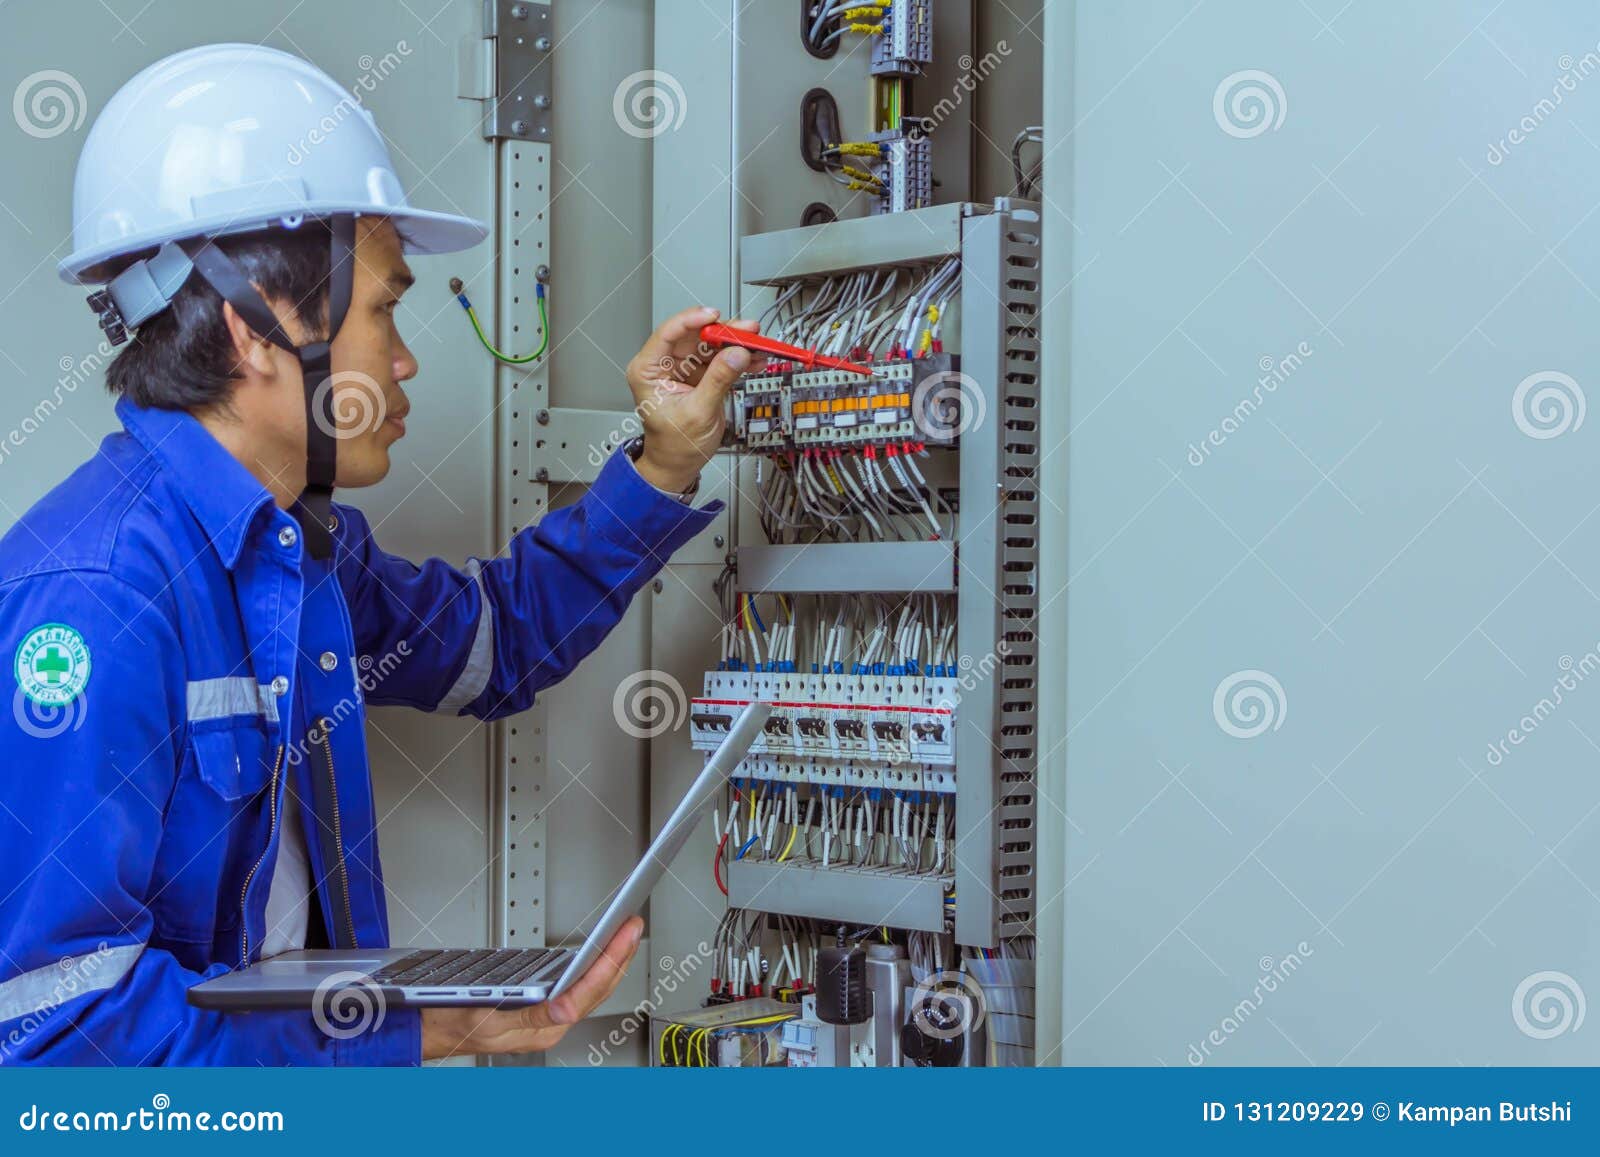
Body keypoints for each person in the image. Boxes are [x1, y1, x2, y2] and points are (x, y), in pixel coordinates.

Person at [0, 43, 754, 1065]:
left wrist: (665, 462)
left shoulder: (299, 555)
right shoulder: (96, 600)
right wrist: (415, 1026)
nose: (403, 361)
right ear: (255, 327)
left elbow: (500, 640)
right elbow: (61, 1044)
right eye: (384, 309)